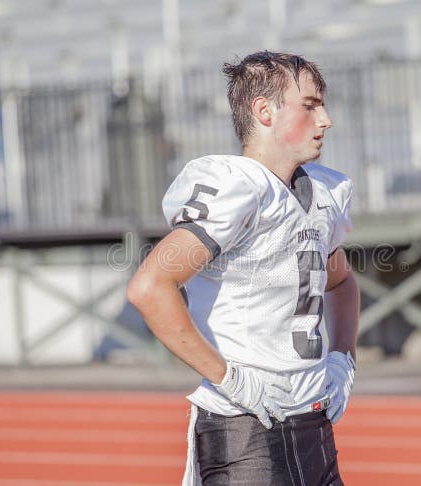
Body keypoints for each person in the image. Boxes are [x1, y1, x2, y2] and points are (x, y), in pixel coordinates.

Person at [127, 51, 360, 486]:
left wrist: (343, 358)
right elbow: (149, 287)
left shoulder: (325, 192)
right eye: (310, 105)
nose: (325, 119)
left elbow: (342, 283)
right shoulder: (237, 187)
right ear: (264, 111)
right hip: (244, 427)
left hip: (313, 423)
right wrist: (229, 378)